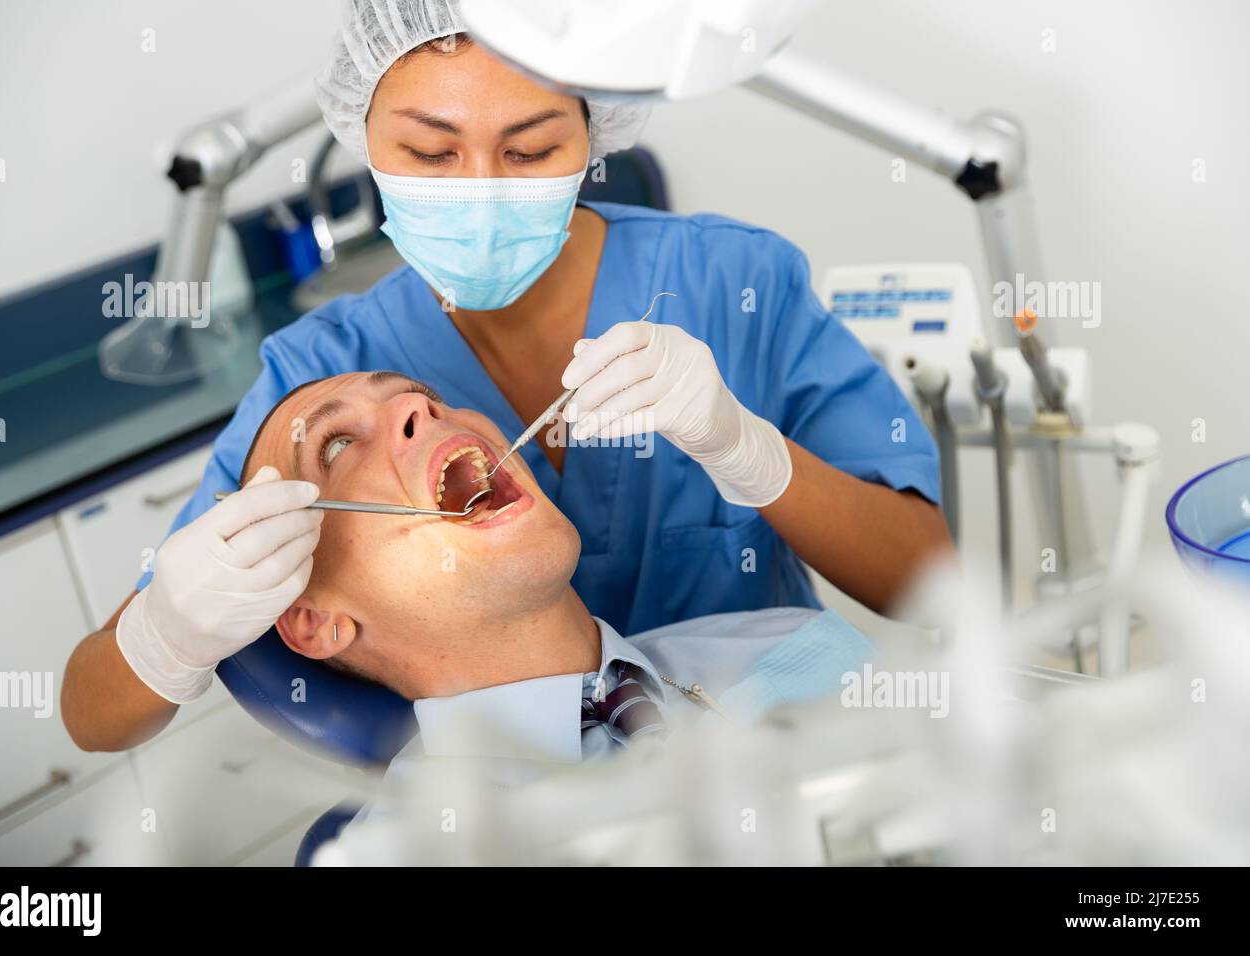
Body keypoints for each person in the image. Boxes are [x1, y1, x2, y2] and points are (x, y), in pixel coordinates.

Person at [61, 0, 949, 752]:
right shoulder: (319, 371)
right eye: (431, 154)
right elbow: (93, 713)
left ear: (594, 131)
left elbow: (926, 580)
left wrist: (749, 452)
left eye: (528, 152)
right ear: (361, 134)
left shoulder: (730, 282)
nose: (482, 189)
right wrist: (167, 635)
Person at [158, 373, 876, 811]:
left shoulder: (790, 642)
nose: (420, 407)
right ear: (315, 622)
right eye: (337, 446)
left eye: (425, 399)